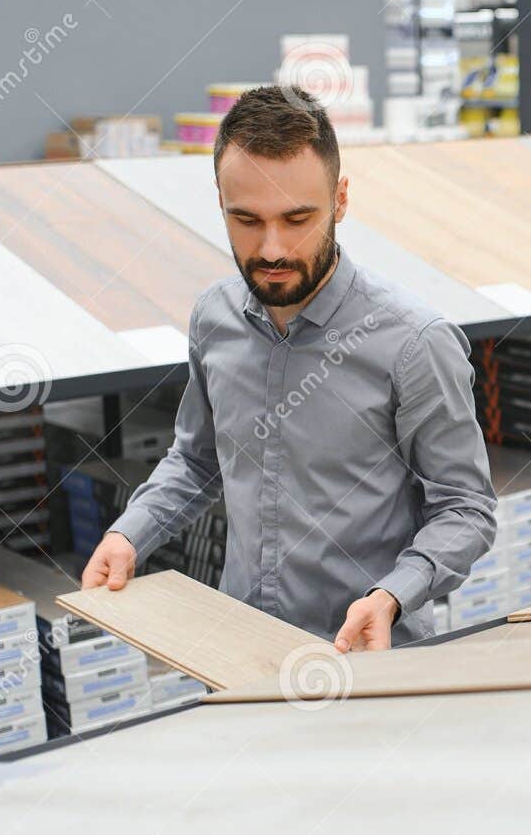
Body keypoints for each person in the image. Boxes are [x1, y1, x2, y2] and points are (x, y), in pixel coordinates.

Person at [80, 85, 496, 651]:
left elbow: (466, 509)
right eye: (246, 220)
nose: (272, 249)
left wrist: (392, 595)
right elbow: (198, 459)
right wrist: (130, 533)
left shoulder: (414, 343)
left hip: (367, 659)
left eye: (297, 219)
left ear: (341, 200)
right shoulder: (214, 318)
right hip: (241, 651)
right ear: (220, 203)